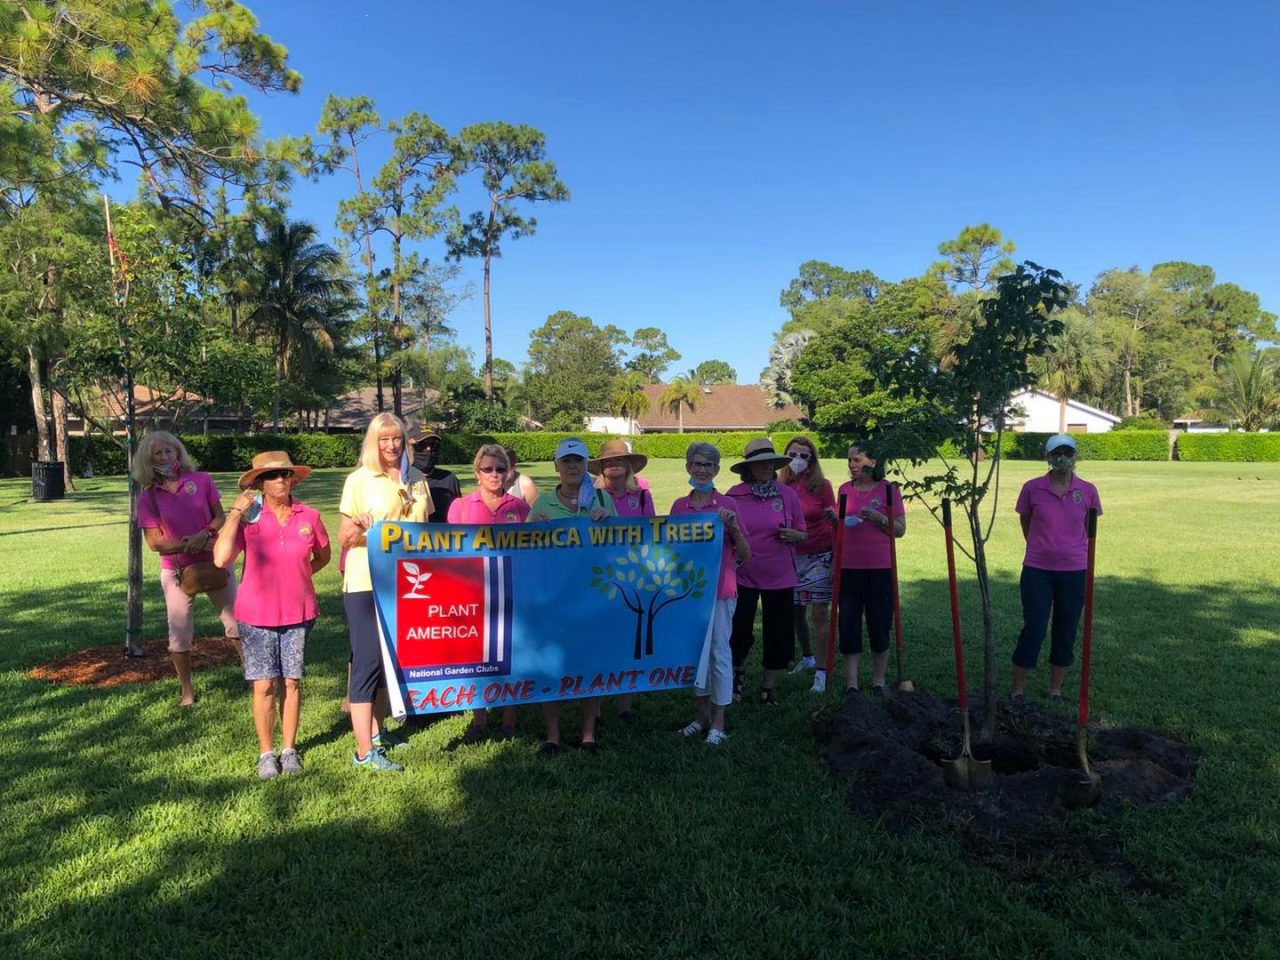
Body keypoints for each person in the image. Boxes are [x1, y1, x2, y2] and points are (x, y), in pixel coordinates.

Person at [214, 452, 330, 779]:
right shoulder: (249, 519)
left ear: (293, 478)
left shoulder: (310, 515)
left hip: (298, 611)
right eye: (272, 476)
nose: (280, 480)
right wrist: (235, 514)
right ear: (259, 484)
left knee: (291, 682)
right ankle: (267, 753)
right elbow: (222, 559)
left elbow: (322, 555)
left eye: (285, 474)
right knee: (264, 685)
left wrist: (297, 576)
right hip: (255, 614)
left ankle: (289, 748)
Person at [337, 413, 433, 772]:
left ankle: (377, 733)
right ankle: (364, 752)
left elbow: (425, 529)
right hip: (366, 580)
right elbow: (344, 538)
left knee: (388, 658)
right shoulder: (359, 480)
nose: (391, 446)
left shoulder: (417, 479)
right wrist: (362, 528)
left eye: (397, 439)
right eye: (383, 440)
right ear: (372, 442)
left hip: (410, 581)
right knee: (367, 660)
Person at [133, 431, 240, 707]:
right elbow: (155, 543)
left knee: (237, 624)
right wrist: (186, 544)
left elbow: (219, 517)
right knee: (179, 633)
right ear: (148, 460)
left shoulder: (201, 480)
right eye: (158, 453)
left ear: (179, 453)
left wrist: (204, 534)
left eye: (170, 451)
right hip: (177, 572)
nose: (166, 457)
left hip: (215, 561)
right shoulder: (148, 498)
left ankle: (254, 677)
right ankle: (187, 692)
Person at [528, 438, 616, 755]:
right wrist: (533, 530)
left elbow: (621, 548)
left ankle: (588, 735)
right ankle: (552, 736)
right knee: (552, 667)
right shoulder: (541, 505)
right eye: (566, 461)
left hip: (592, 598)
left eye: (578, 461)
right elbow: (524, 555)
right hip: (553, 599)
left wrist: (608, 524)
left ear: (586, 465)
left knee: (589, 666)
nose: (573, 467)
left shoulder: (603, 500)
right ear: (556, 466)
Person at [1011, 434, 1103, 704]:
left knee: (1066, 628)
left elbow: (1089, 528)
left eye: (1068, 452)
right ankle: (1017, 691)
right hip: (1037, 569)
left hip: (1074, 571)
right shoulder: (1032, 488)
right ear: (1048, 458)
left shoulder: (1087, 490)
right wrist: (1042, 546)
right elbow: (1026, 522)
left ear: (1076, 457)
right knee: (1034, 627)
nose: (1063, 458)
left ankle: (1055, 690)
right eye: (1057, 453)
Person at [449, 444, 531, 743]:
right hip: (473, 591)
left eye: (500, 468)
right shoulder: (459, 507)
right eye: (488, 469)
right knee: (475, 654)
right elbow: (448, 552)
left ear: (509, 472)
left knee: (510, 653)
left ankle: (509, 719)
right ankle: (479, 719)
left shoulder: (520, 508)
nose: (494, 474)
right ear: (477, 473)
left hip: (512, 589)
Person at [670, 442, 750, 745]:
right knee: (695, 656)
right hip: (689, 595)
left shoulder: (728, 505)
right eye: (697, 464)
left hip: (720, 591)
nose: (702, 470)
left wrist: (733, 530)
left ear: (716, 470)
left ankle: (718, 723)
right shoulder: (680, 506)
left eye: (708, 465)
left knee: (719, 654)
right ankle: (700, 716)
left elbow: (747, 554)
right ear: (688, 467)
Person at [726, 438, 806, 706]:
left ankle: (767, 687)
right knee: (738, 630)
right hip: (742, 574)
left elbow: (802, 532)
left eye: (770, 462)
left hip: (780, 574)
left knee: (779, 633)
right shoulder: (734, 495)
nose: (766, 466)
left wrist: (795, 534)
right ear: (749, 467)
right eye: (760, 463)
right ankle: (736, 676)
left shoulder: (788, 495)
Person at [589, 437, 655, 724]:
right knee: (600, 640)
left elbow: (653, 532)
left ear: (629, 465)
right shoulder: (591, 497)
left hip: (633, 576)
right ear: (601, 468)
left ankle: (626, 705)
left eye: (619, 460)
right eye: (608, 462)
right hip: (599, 578)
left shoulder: (641, 496)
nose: (614, 465)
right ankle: (597, 706)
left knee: (629, 642)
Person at [835, 442, 906, 699]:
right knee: (849, 625)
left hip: (880, 568)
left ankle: (878, 682)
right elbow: (839, 525)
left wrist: (880, 518)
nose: (852, 465)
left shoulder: (889, 491)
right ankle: (851, 684)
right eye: (850, 460)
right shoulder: (844, 490)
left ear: (873, 462)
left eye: (857, 460)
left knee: (879, 624)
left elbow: (899, 529)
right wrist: (836, 520)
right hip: (849, 567)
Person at [777, 435, 837, 693]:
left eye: (804, 455)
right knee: (795, 611)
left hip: (819, 554)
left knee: (819, 613)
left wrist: (836, 556)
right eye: (793, 454)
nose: (798, 460)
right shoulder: (780, 485)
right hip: (790, 556)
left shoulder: (821, 485)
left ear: (812, 460)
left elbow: (834, 519)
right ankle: (808, 657)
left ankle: (821, 675)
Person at [408, 422, 461, 523]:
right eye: (421, 445)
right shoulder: (403, 480)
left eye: (433, 445)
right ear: (408, 447)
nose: (428, 449)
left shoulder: (449, 479)